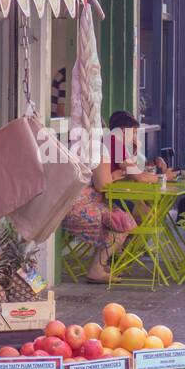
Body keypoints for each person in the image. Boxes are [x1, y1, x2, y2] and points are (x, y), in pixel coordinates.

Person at [62, 110, 141, 282]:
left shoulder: (69, 147)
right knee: (125, 222)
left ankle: (102, 264)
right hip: (79, 210)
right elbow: (103, 185)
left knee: (119, 216)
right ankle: (97, 269)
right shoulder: (98, 148)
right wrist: (112, 176)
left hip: (61, 208)